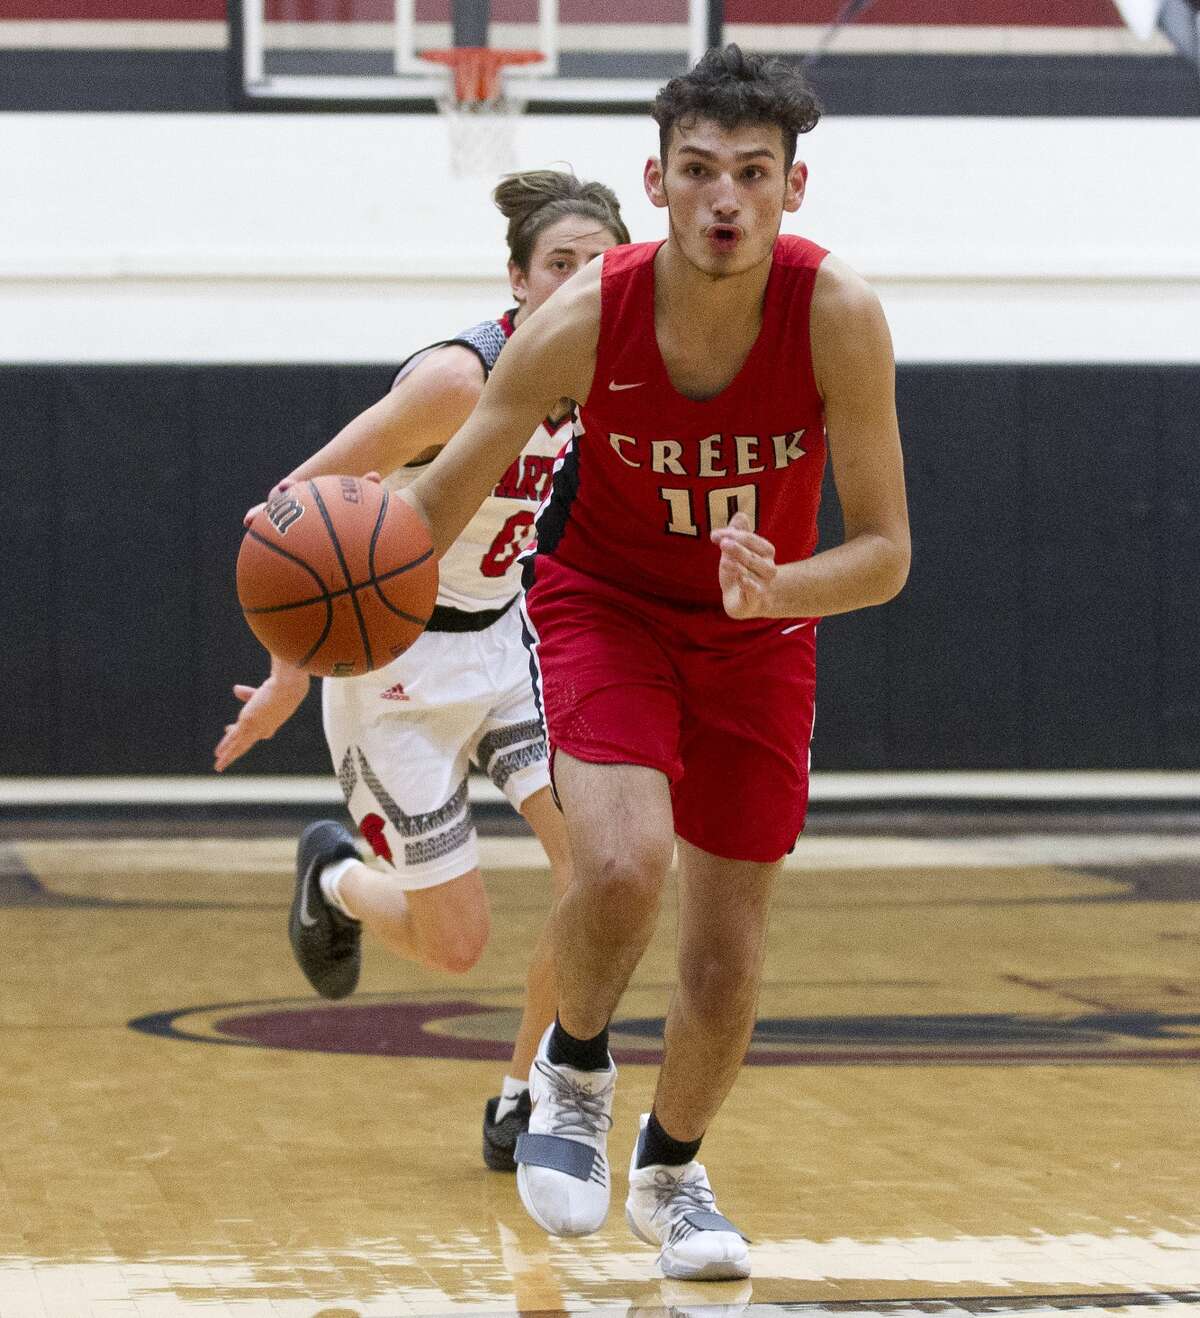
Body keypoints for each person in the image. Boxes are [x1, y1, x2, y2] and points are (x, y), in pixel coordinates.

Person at [397, 46, 911, 1280]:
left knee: (726, 954)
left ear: (794, 188)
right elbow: (438, 499)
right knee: (620, 862)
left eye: (752, 172)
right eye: (698, 171)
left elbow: (887, 551)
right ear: (658, 181)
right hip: (606, 603)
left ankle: (674, 1171)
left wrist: (785, 584)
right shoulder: (583, 317)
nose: (724, 197)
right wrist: (318, 597)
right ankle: (572, 1070)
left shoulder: (837, 314)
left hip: (763, 630)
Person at [213, 169, 631, 1172]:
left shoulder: (600, 380)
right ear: (519, 282)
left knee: (600, 879)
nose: (579, 284)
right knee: (458, 946)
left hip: (503, 649)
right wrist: (288, 672)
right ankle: (336, 877)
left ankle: (524, 1091)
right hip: (390, 672)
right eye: (559, 265)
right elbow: (291, 510)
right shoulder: (456, 382)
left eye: (600, 268)